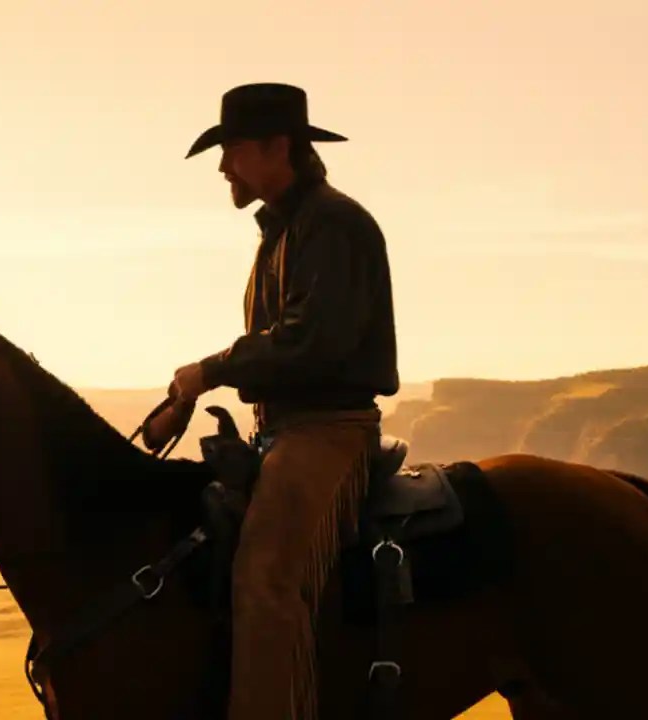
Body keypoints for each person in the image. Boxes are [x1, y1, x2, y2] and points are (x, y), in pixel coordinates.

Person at [166, 84, 399, 719]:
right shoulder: (289, 228)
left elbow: (311, 342)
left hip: (327, 431)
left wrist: (210, 371)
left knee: (264, 579)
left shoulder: (332, 223)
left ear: (278, 147)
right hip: (284, 429)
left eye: (232, 150)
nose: (222, 167)